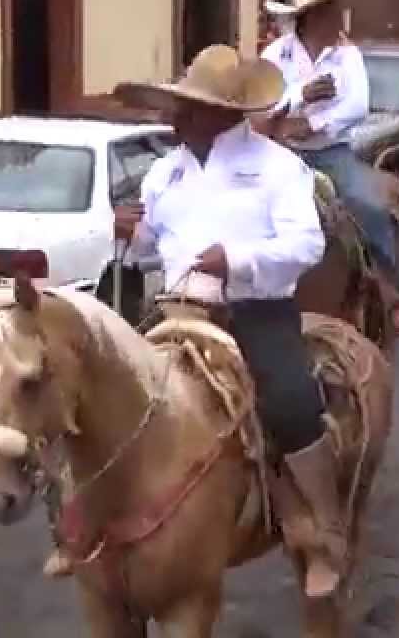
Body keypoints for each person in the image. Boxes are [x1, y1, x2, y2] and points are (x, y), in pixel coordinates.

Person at [113, 45, 346, 599]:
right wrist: (130, 233)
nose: (174, 117)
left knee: (289, 401)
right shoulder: (164, 172)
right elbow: (155, 245)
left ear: (223, 112)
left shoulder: (277, 166)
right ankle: (97, 525)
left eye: (187, 108)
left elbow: (306, 244)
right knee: (115, 389)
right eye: (176, 107)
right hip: (176, 309)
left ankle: (325, 530)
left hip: (255, 310)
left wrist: (236, 260)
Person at [259, 0, 399, 330]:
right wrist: (301, 95)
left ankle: (393, 292)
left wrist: (314, 125)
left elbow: (358, 106)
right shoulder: (274, 55)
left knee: (368, 205)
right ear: (310, 17)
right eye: (331, 14)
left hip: (331, 152)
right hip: (281, 154)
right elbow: (263, 103)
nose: (339, 21)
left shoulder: (348, 56)